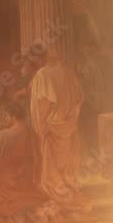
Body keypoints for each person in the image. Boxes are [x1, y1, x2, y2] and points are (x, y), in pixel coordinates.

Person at [23, 46, 87, 208]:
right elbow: (79, 97)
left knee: (51, 166)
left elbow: (42, 103)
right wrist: (71, 117)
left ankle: (60, 194)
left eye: (32, 60)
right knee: (65, 163)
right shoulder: (67, 72)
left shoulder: (42, 75)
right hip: (68, 124)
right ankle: (68, 189)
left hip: (51, 125)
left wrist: (40, 125)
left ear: (37, 59)